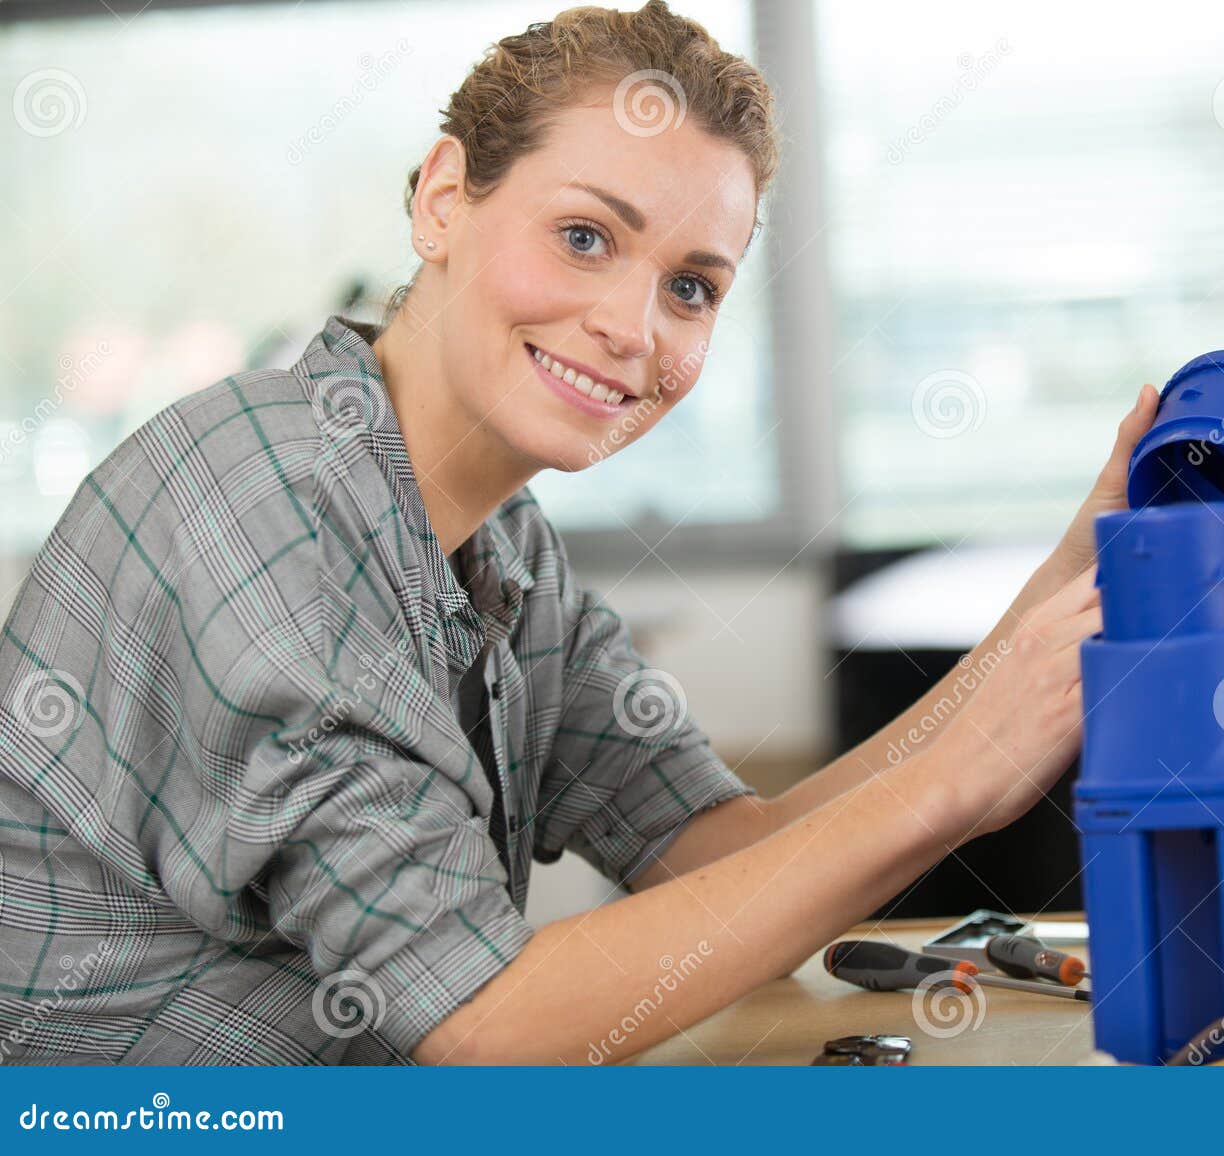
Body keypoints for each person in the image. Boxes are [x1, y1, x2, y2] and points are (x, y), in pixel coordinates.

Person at [0, 0, 1157, 1065]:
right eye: (587, 237)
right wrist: (957, 777)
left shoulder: (500, 540)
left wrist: (1068, 578)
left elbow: (718, 852)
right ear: (443, 198)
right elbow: (479, 1022)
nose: (629, 328)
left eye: (691, 287)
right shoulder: (269, 515)